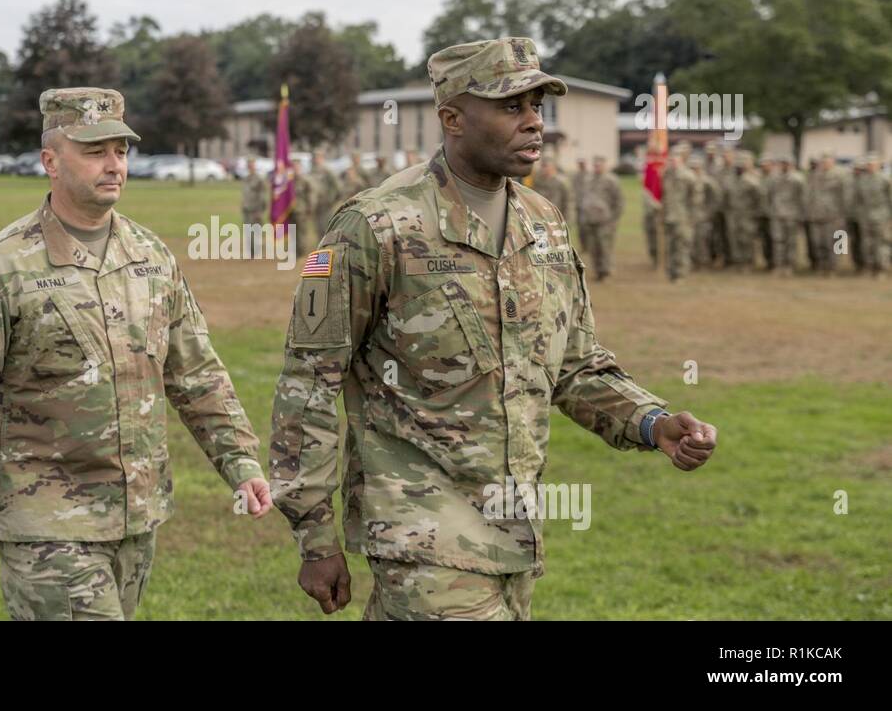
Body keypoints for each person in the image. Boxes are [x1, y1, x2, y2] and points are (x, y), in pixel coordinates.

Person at [269, 37, 718, 621]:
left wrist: (652, 421)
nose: (533, 122)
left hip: (516, 531)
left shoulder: (544, 222)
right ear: (452, 118)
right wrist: (315, 536)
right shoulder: (375, 225)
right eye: (512, 107)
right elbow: (309, 382)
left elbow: (575, 364)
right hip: (421, 536)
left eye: (537, 106)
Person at [0, 87, 271, 621]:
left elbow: (195, 372)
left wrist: (239, 461)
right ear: (50, 161)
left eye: (120, 150)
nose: (114, 164)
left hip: (136, 518)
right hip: (47, 524)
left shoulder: (150, 256)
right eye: (95, 151)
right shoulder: (2, 266)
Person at [578, 155, 623, 280]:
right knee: (593, 247)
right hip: (590, 219)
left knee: (605, 247)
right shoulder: (588, 179)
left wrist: (613, 219)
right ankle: (598, 270)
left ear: (605, 165)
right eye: (595, 165)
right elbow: (584, 198)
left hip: (605, 221)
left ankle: (606, 271)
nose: (597, 167)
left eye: (599, 165)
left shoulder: (611, 180)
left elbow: (619, 201)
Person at [805, 153, 845, 276]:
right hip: (816, 215)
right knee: (817, 242)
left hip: (831, 216)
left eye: (828, 162)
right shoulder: (814, 176)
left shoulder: (839, 176)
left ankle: (832, 267)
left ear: (832, 163)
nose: (825, 164)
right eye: (823, 162)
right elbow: (808, 195)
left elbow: (844, 197)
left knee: (831, 243)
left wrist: (841, 215)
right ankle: (821, 266)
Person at [851, 155, 891, 278]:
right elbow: (857, 199)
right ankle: (869, 267)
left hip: (881, 216)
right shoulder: (861, 180)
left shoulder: (885, 179)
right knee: (866, 243)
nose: (871, 167)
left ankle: (881, 269)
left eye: (873, 164)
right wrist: (858, 215)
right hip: (865, 217)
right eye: (869, 165)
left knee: (881, 243)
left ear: (878, 165)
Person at [661, 146, 697, 282]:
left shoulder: (688, 176)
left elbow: (695, 200)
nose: (673, 161)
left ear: (682, 159)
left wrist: (690, 218)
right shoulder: (667, 175)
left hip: (683, 217)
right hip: (669, 217)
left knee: (681, 247)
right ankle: (671, 273)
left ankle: (681, 274)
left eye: (676, 158)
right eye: (671, 158)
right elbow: (665, 197)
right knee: (670, 246)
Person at [726, 151, 764, 272]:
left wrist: (755, 212)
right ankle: (738, 262)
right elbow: (726, 196)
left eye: (740, 166)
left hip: (747, 214)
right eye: (736, 166)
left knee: (746, 239)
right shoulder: (730, 179)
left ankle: (748, 262)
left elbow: (760, 197)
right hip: (733, 214)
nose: (738, 168)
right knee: (734, 238)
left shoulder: (751, 180)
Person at [240, 156, 269, 254]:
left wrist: (260, 210)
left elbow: (263, 196)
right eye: (248, 164)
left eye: (252, 164)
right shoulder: (246, 178)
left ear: (255, 165)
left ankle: (257, 251)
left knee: (256, 231)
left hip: (255, 209)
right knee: (248, 231)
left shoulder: (259, 179)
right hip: (247, 209)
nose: (250, 166)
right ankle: (250, 251)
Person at [530, 153, 572, 220]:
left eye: (545, 166)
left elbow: (568, 202)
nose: (543, 169)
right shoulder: (538, 180)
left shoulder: (561, 182)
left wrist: (566, 220)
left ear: (552, 167)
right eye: (542, 166)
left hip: (557, 217)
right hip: (541, 216)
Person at [311, 150, 342, 234]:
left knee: (326, 228)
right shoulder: (312, 172)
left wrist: (331, 200)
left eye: (318, 158)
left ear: (322, 159)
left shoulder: (328, 172)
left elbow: (338, 187)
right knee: (318, 229)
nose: (316, 160)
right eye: (315, 158)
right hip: (317, 206)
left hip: (326, 206)